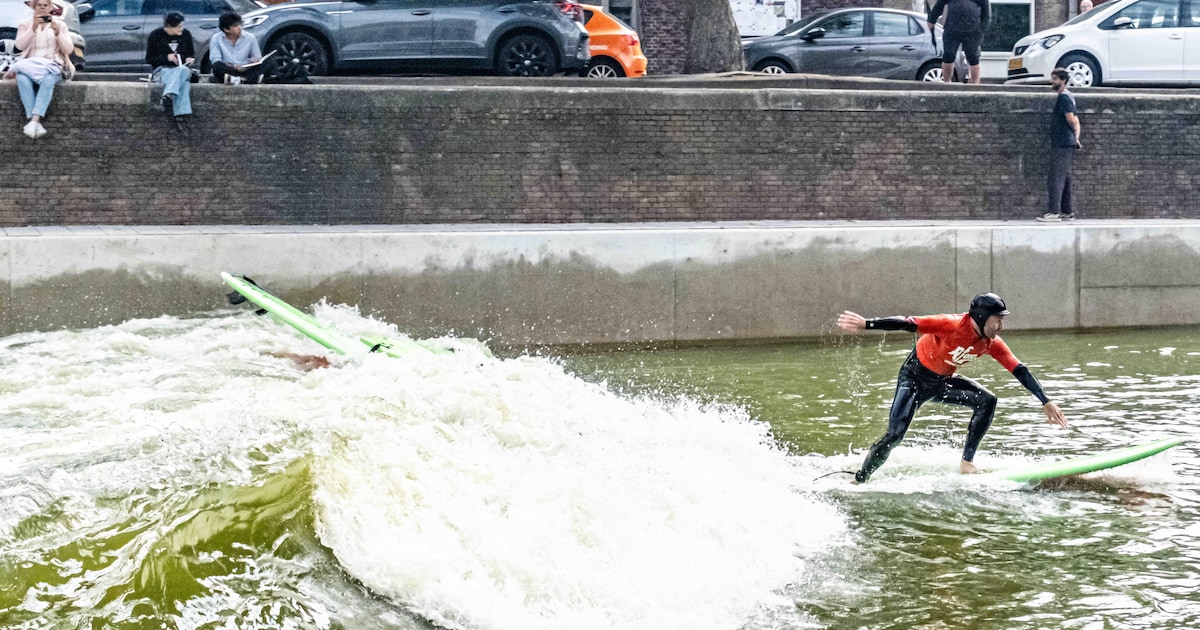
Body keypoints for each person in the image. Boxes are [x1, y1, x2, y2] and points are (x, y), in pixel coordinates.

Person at [836, 293, 1068, 483]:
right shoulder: (951, 324)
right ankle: (860, 479)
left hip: (942, 382)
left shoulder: (990, 343)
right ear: (981, 317)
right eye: (997, 320)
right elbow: (908, 323)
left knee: (987, 400)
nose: (1001, 326)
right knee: (894, 435)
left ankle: (967, 463)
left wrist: (1045, 400)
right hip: (914, 379)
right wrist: (867, 324)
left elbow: (1019, 369)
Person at [7, 0, 74, 139]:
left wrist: (58, 34)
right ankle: (34, 123)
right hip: (30, 65)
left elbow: (68, 49)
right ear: (34, 7)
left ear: (50, 8)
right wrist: (32, 29)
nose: (42, 7)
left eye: (45, 5)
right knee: (21, 77)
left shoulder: (60, 25)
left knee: (48, 80)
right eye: (39, 5)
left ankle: (34, 120)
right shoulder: (25, 24)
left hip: (53, 64)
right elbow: (19, 46)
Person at [1038, 67, 1082, 222]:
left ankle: (1054, 212)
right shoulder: (1069, 96)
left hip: (1062, 142)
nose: (1052, 82)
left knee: (1055, 177)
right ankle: (1067, 211)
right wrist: (1076, 138)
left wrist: (1074, 135)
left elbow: (1071, 119)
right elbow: (1076, 120)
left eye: (1055, 79)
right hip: (1067, 142)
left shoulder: (1063, 97)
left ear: (1063, 80)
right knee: (1065, 177)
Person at [145, 12, 195, 134]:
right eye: (179, 26)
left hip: (181, 69)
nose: (182, 29)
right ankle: (181, 116)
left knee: (183, 70)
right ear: (169, 26)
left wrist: (189, 59)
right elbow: (149, 59)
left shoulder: (186, 35)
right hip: (163, 70)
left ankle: (168, 94)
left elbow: (191, 54)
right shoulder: (156, 35)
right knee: (184, 84)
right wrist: (166, 58)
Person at [927, 0, 989, 84]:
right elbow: (939, 5)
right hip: (952, 29)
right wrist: (931, 20)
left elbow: (986, 12)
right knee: (948, 56)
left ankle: (975, 84)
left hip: (973, 30)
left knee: (973, 57)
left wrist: (982, 30)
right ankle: (947, 83)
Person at [209, 12, 263, 84]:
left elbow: (257, 57)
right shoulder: (216, 38)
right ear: (226, 30)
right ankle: (244, 80)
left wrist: (249, 64)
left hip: (245, 69)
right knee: (217, 67)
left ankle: (236, 79)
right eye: (235, 26)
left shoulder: (250, 37)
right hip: (228, 69)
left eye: (239, 24)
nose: (239, 28)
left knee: (268, 63)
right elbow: (215, 59)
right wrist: (233, 66)